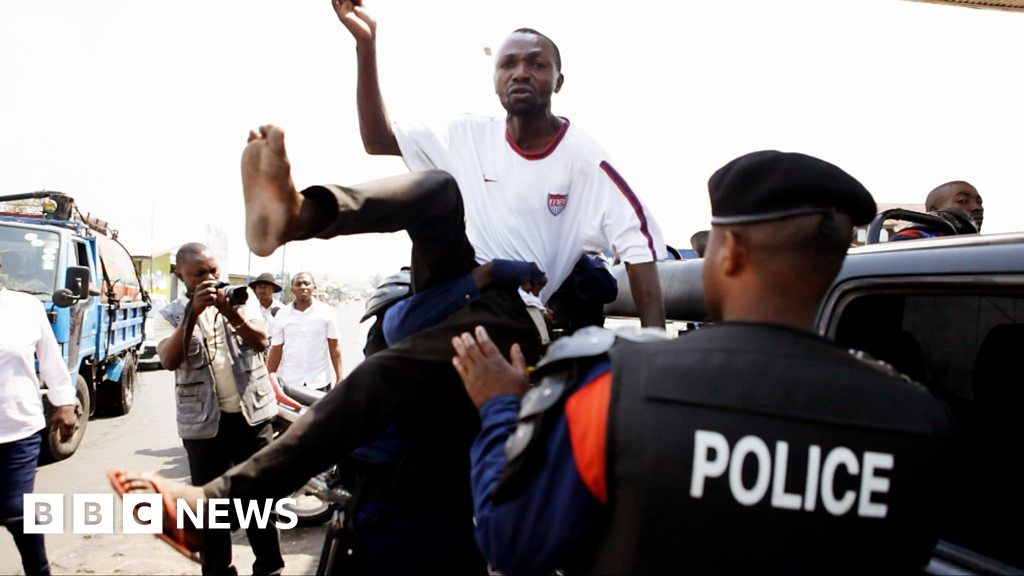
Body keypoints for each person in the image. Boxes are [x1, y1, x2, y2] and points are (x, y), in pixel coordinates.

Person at [116, 11, 666, 573]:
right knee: (436, 190)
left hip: (514, 309)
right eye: (508, 62)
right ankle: (298, 213)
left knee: (379, 375)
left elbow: (641, 250)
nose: (521, 71)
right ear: (494, 78)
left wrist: (655, 359)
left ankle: (219, 502)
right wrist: (366, 45)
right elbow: (378, 139)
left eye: (536, 63)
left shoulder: (585, 159)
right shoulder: (469, 134)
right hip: (457, 278)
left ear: (558, 79)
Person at [451, 151, 954, 574]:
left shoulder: (608, 390)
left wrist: (499, 408)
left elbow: (512, 543)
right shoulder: (919, 423)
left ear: (729, 252)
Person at [153, 243, 283, 576]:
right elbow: (169, 360)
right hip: (203, 428)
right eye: (199, 274)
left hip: (252, 418)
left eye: (213, 271)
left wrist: (232, 314)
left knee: (260, 502)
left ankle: (269, 568)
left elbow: (262, 342)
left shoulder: (242, 298)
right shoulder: (167, 315)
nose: (210, 279)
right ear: (180, 275)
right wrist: (191, 316)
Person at [0, 257, 76, 576]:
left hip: (18, 431)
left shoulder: (24, 307)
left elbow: (50, 360)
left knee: (16, 512)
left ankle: (39, 569)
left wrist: (65, 404)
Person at [267, 272, 342, 391]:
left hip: (320, 381)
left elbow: (334, 346)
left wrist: (340, 378)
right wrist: (269, 378)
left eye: (307, 283)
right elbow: (276, 349)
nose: (303, 287)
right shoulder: (282, 315)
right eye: (298, 284)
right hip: (290, 382)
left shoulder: (327, 312)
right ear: (292, 289)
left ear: (314, 287)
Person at [890, 180, 984, 240]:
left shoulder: (981, 245)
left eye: (979, 202)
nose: (977, 207)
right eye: (963, 201)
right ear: (934, 211)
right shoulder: (911, 239)